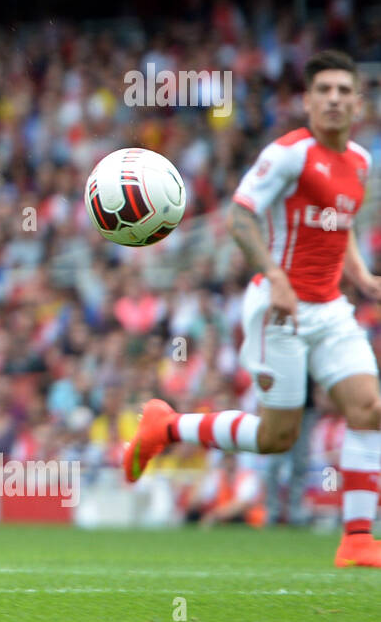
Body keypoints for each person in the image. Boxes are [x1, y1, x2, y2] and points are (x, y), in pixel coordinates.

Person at [126, 50, 381, 568]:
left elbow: (342, 218)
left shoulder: (360, 160)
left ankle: (357, 539)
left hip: (330, 308)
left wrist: (359, 273)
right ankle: (167, 426)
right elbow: (240, 217)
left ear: (358, 102)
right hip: (278, 309)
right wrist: (279, 276)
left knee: (370, 409)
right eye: (323, 90)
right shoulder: (288, 155)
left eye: (343, 91)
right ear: (307, 100)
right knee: (275, 437)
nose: (333, 99)